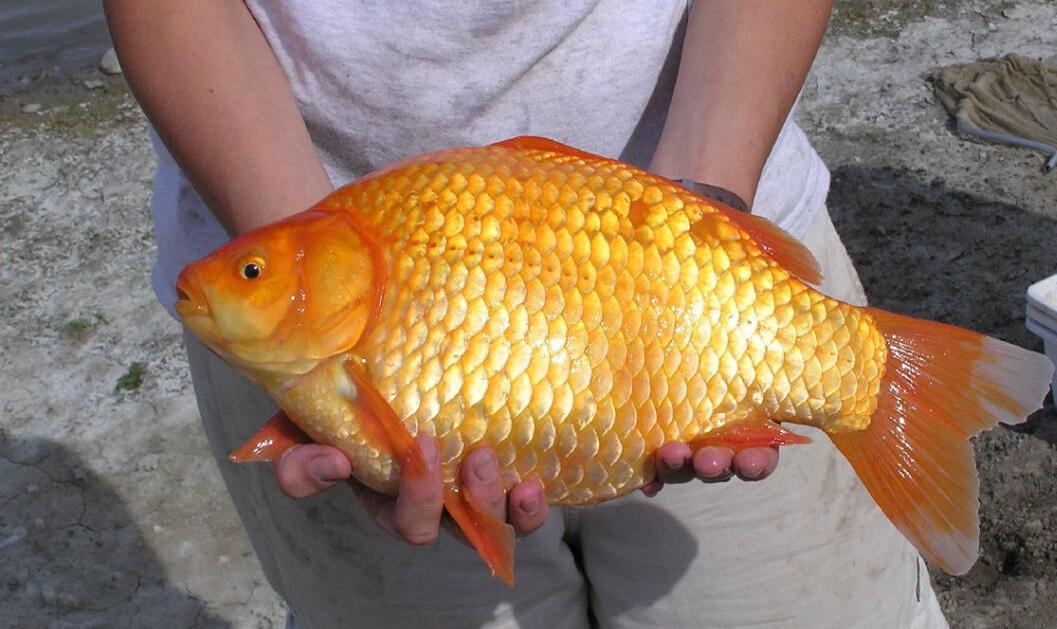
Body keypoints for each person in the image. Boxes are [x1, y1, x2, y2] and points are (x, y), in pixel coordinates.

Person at [105, 1, 950, 627]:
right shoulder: (318, 304)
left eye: (255, 272)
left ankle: (881, 378)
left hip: (704, 232)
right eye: (255, 273)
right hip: (270, 176)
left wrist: (703, 206)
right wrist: (275, 238)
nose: (228, 282)